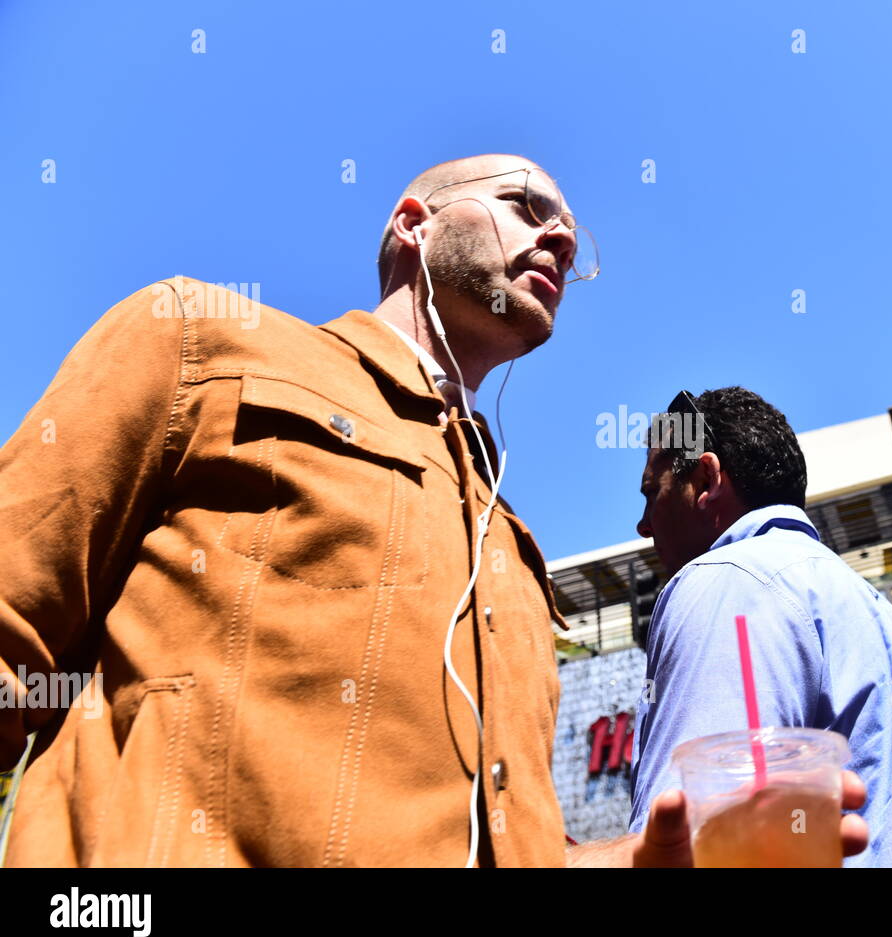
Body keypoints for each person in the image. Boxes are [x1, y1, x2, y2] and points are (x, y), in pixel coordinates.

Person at [0, 154, 594, 866]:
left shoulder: (511, 545)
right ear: (413, 224)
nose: (563, 240)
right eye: (527, 206)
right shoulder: (199, 339)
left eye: (572, 237)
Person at [625, 387, 892, 867]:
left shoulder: (727, 581)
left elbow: (694, 842)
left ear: (706, 477)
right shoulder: (870, 606)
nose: (644, 525)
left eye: (652, 491)